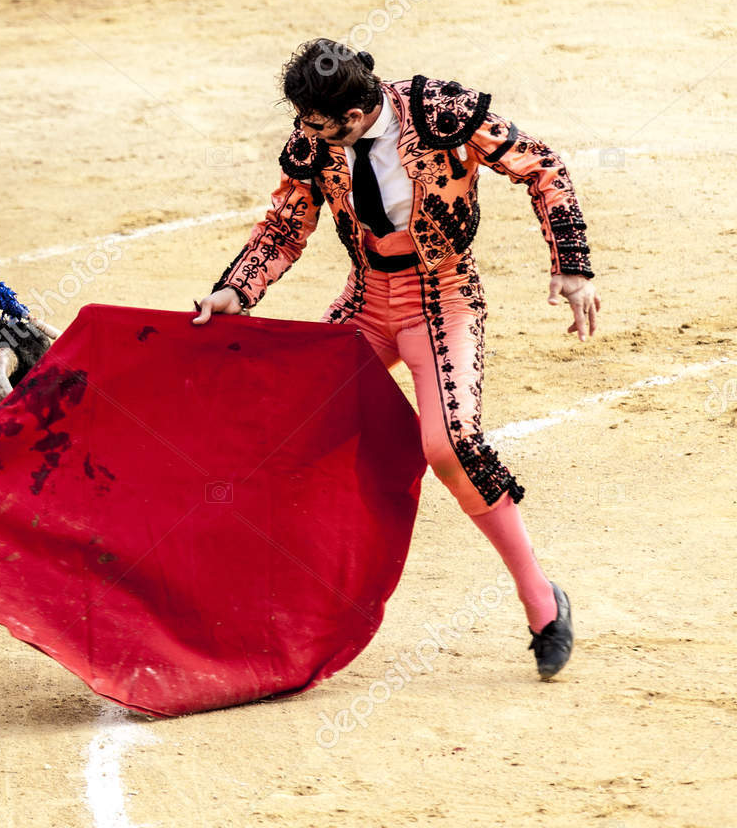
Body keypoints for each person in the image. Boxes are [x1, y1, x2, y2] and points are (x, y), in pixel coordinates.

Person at [194, 39, 599, 680]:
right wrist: (236, 289)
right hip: (364, 304)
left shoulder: (441, 112)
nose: (307, 134)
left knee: (451, 448)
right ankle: (269, 608)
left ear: (355, 116)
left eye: (319, 125)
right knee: (280, 435)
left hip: (444, 302)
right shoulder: (314, 142)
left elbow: (542, 166)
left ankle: (541, 601)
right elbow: (284, 226)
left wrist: (571, 265)